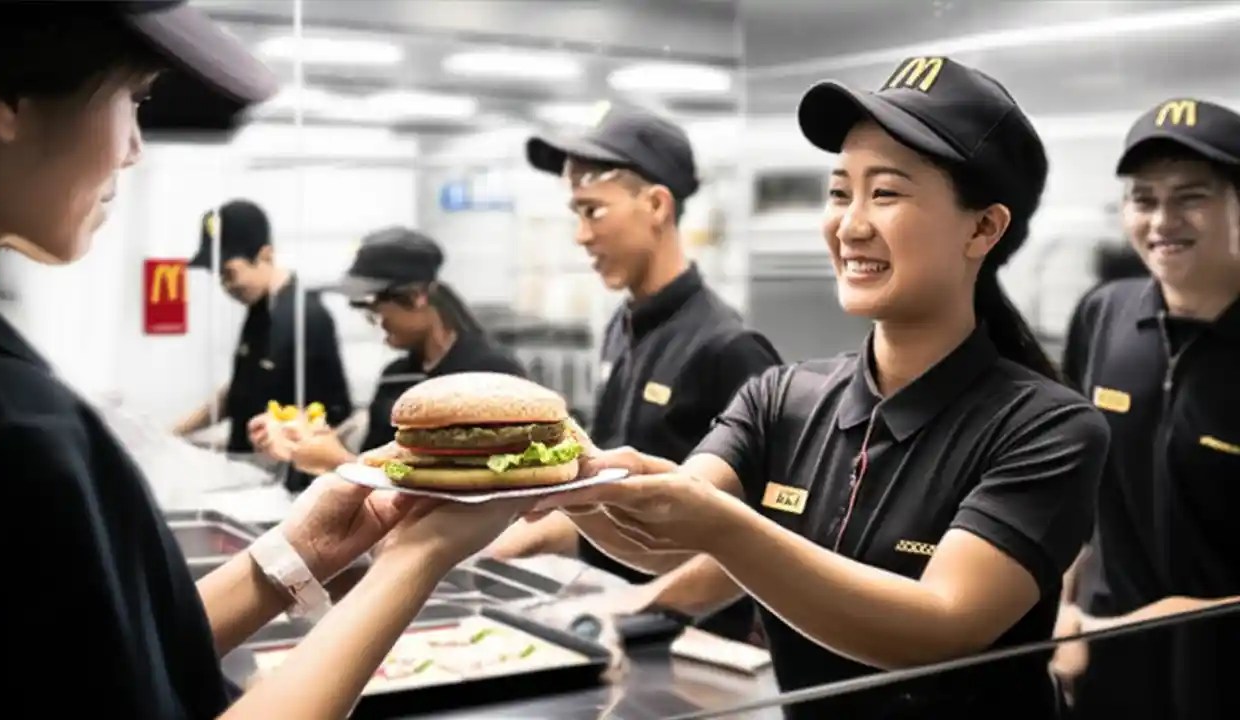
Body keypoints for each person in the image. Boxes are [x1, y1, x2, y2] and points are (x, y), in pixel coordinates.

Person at [0, 4, 529, 718]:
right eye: (132, 99)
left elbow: (108, 659)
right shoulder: (11, 429)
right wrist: (417, 558)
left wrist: (300, 551)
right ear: (6, 99)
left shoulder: (7, 400)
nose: (134, 146)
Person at [530, 56, 1110, 719]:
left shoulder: (1048, 427)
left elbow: (942, 626)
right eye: (840, 192)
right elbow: (664, 538)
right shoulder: (781, 397)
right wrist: (565, 477)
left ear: (983, 228)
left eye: (885, 193)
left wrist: (725, 527)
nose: (850, 225)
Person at [487, 102, 783, 643]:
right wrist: (495, 544)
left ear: (655, 204)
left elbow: (773, 535)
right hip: (616, 624)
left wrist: (640, 604)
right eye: (574, 213)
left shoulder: (729, 347)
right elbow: (610, 506)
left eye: (593, 211)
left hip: (703, 644)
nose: (580, 235)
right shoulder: (622, 331)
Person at [1052, 98, 1240, 720]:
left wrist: (1135, 624)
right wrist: (1062, 613)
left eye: (1192, 197)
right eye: (1143, 198)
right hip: (1104, 680)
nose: (1163, 220)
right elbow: (1073, 499)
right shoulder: (1104, 315)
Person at [249, 226, 527, 477]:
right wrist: (305, 437)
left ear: (417, 296)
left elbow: (480, 482)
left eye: (378, 313)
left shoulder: (490, 373)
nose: (377, 325)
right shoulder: (395, 376)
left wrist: (341, 463)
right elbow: (377, 460)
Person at [173, 199, 353, 484]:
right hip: (253, 474)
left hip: (290, 480)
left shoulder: (303, 317)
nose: (226, 287)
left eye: (230, 273)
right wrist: (175, 433)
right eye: (219, 277)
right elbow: (238, 391)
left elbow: (333, 413)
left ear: (265, 256)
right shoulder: (260, 311)